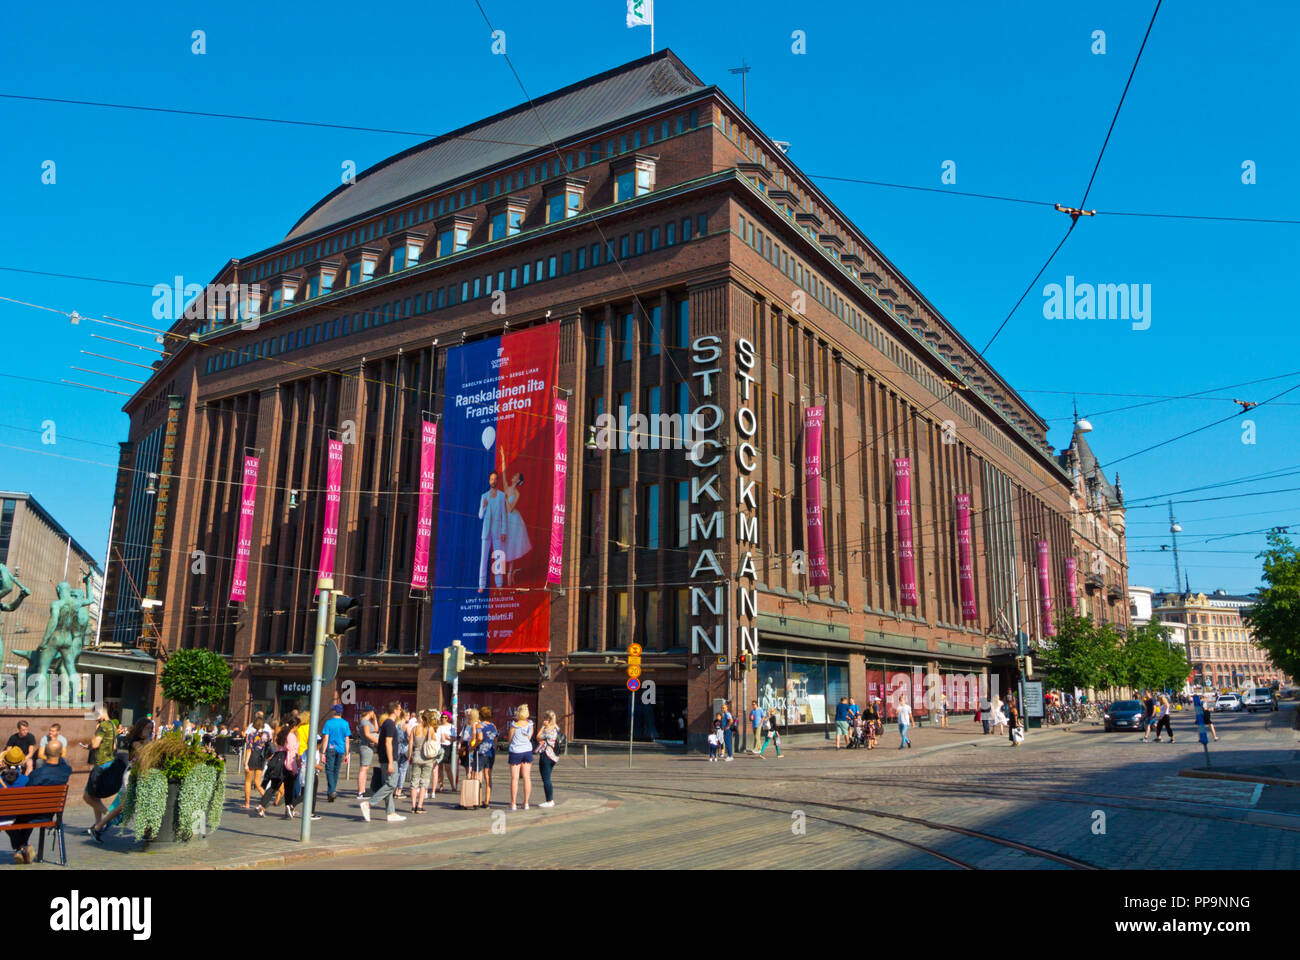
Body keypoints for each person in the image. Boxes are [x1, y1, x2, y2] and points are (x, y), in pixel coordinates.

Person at [86, 717, 153, 841]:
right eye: (147, 728)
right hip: (132, 775)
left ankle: (146, 830)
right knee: (124, 805)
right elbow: (145, 755)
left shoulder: (147, 742)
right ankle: (98, 827)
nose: (149, 731)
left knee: (141, 802)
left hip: (143, 775)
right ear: (141, 729)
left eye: (150, 728)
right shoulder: (135, 742)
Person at [6, 740, 71, 864]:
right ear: (61, 754)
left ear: (44, 754)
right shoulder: (65, 771)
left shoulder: (38, 774)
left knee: (11, 819)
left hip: (30, 814)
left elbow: (26, 792)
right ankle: (22, 846)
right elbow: (61, 761)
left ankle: (21, 847)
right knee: (29, 813)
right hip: (49, 814)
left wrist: (29, 769)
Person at [361, 701, 405, 823]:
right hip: (389, 759)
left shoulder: (386, 723)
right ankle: (369, 804)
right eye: (400, 709)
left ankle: (391, 812)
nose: (400, 711)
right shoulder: (390, 724)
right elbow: (388, 743)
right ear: (395, 710)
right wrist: (391, 761)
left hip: (384, 758)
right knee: (391, 784)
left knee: (388, 784)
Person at [79, 705, 119, 826]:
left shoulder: (101, 726)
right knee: (95, 795)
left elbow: (95, 744)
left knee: (87, 796)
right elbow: (114, 747)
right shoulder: (113, 725)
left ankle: (109, 817)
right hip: (110, 762)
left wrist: (92, 741)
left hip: (100, 764)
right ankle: (98, 823)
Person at [255, 721, 298, 819]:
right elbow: (291, 751)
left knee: (273, 787)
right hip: (286, 762)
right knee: (289, 787)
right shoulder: (291, 736)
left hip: (278, 760)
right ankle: (289, 807)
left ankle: (261, 806)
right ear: (294, 726)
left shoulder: (281, 734)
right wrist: (293, 768)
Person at [501, 460, 532, 586]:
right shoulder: (507, 487)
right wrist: (503, 459)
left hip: (513, 521)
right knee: (505, 545)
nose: (513, 476)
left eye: (516, 476)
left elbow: (510, 508)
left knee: (512, 546)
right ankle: (506, 573)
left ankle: (510, 573)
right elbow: (503, 475)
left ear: (518, 481)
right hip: (505, 519)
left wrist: (506, 498)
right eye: (514, 475)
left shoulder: (517, 493)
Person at [478, 470, 508, 593]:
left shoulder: (501, 496)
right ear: (489, 481)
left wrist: (504, 531)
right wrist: (483, 506)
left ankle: (499, 583)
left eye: (495, 479)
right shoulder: (484, 496)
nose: (493, 481)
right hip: (486, 532)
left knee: (498, 557)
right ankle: (481, 584)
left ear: (497, 480)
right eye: (491, 479)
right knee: (484, 558)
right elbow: (480, 516)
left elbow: (504, 515)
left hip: (497, 532)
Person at [243, 712, 274, 809]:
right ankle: (266, 799)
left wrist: (246, 763)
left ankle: (247, 803)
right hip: (261, 758)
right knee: (257, 782)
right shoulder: (267, 735)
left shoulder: (251, 735)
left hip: (252, 757)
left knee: (248, 781)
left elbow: (249, 750)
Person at [408, 710, 436, 813]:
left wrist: (409, 756)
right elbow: (434, 743)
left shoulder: (415, 729)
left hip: (416, 756)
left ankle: (413, 806)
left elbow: (410, 743)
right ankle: (420, 806)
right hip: (427, 758)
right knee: (424, 782)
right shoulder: (430, 729)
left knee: (414, 781)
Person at [321, 705, 350, 803]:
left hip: (330, 748)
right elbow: (347, 740)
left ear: (334, 712)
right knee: (336, 771)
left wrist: (323, 752)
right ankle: (331, 792)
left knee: (329, 770)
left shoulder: (328, 723)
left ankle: (332, 791)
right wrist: (346, 754)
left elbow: (325, 738)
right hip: (341, 749)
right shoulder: (345, 723)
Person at [507, 705, 534, 810]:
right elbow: (530, 737)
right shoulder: (530, 724)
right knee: (527, 777)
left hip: (516, 752)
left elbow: (510, 739)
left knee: (515, 778)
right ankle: (526, 803)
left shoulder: (514, 725)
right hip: (527, 751)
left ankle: (513, 803)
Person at [536, 709, 560, 807]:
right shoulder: (556, 728)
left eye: (545, 718)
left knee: (546, 779)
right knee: (548, 778)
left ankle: (549, 801)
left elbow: (538, 737)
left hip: (546, 755)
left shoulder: (547, 730)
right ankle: (549, 800)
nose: (543, 720)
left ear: (548, 719)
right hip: (554, 756)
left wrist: (542, 726)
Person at [477, 706, 498, 807]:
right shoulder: (493, 726)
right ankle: (487, 801)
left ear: (480, 715)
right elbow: (495, 740)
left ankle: (478, 799)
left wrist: (474, 745)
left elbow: (480, 738)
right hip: (491, 752)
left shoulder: (479, 725)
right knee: (488, 776)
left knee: (479, 775)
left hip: (481, 752)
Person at [356, 708, 378, 799]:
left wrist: (375, 719)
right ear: (371, 712)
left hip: (368, 747)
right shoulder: (365, 722)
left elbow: (376, 730)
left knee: (365, 769)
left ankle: (363, 790)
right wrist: (377, 742)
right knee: (363, 769)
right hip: (366, 746)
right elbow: (367, 734)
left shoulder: (367, 722)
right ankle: (361, 791)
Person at [433, 711, 455, 794]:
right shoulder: (438, 726)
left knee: (448, 767)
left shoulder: (451, 726)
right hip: (439, 746)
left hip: (447, 747)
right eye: (442, 717)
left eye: (445, 717)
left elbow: (454, 738)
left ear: (448, 718)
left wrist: (447, 737)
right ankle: (441, 785)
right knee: (439, 767)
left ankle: (452, 785)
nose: (443, 719)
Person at [394, 708, 411, 802]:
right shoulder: (406, 725)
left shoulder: (396, 724)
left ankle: (395, 789)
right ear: (405, 716)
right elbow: (409, 738)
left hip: (397, 748)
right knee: (403, 770)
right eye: (408, 715)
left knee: (396, 770)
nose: (409, 717)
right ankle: (399, 790)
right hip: (405, 749)